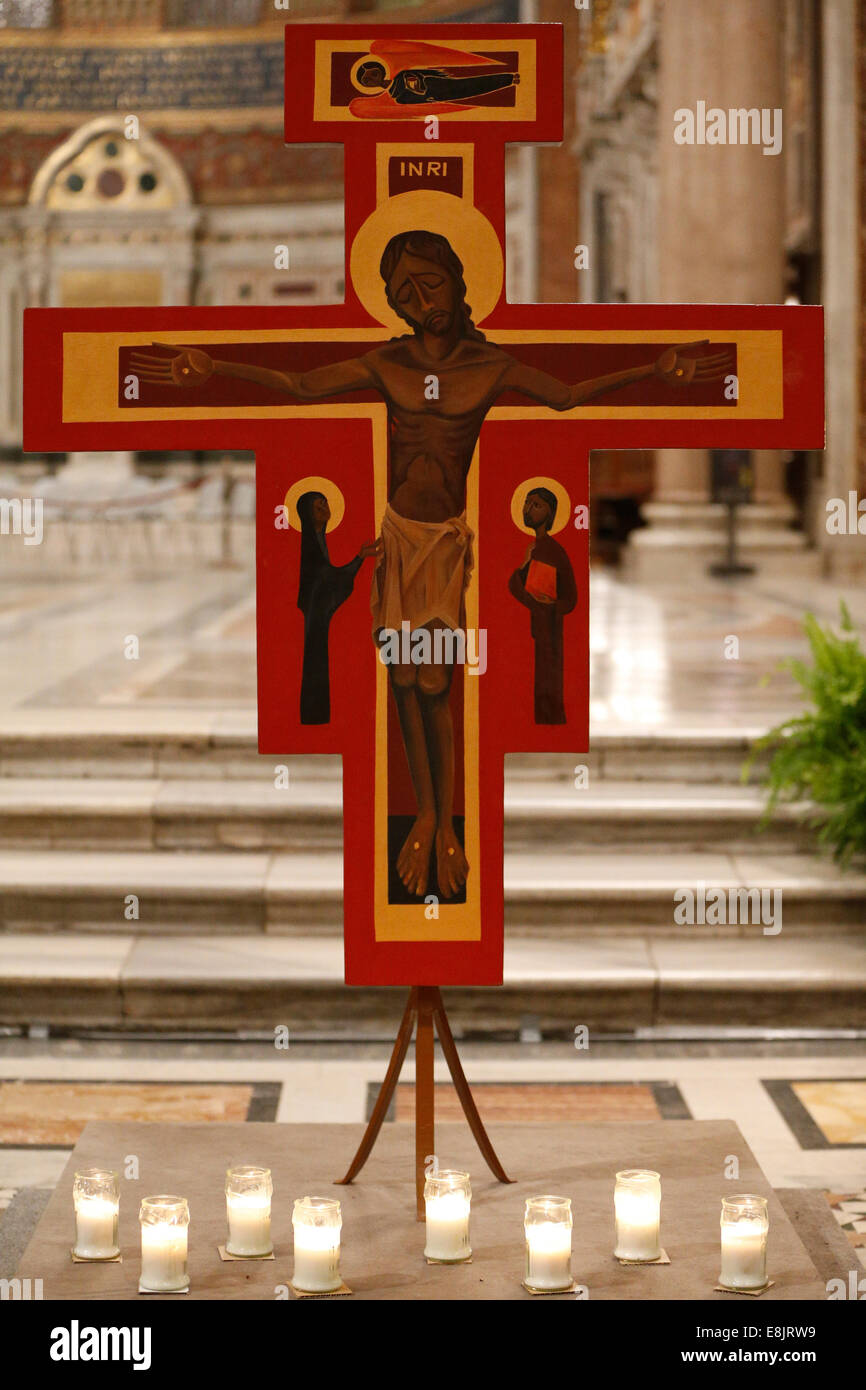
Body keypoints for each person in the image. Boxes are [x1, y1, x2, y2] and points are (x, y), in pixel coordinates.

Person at [132, 232, 731, 900]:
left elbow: (568, 397)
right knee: (402, 679)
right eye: (405, 293)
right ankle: (424, 810)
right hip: (397, 537)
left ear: (456, 277)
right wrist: (211, 367)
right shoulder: (388, 362)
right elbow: (300, 387)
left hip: (444, 545)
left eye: (431, 283)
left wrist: (654, 369)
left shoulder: (490, 365)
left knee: (436, 678)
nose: (422, 301)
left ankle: (440, 820)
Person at [295, 490, 379, 725]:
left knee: (320, 663)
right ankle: (314, 716)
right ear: (308, 516)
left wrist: (359, 558)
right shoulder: (311, 544)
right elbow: (326, 576)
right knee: (316, 664)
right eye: (318, 508)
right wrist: (359, 559)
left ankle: (316, 715)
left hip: (320, 611)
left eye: (325, 504)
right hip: (316, 613)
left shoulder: (319, 539)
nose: (325, 510)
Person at [508, 487, 577, 724]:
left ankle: (552, 722)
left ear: (551, 513)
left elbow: (571, 598)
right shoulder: (533, 548)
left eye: (536, 505)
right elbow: (515, 586)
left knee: (549, 679)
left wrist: (549, 605)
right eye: (527, 503)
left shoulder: (555, 552)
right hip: (537, 626)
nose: (528, 509)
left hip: (550, 628)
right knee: (537, 680)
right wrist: (526, 565)